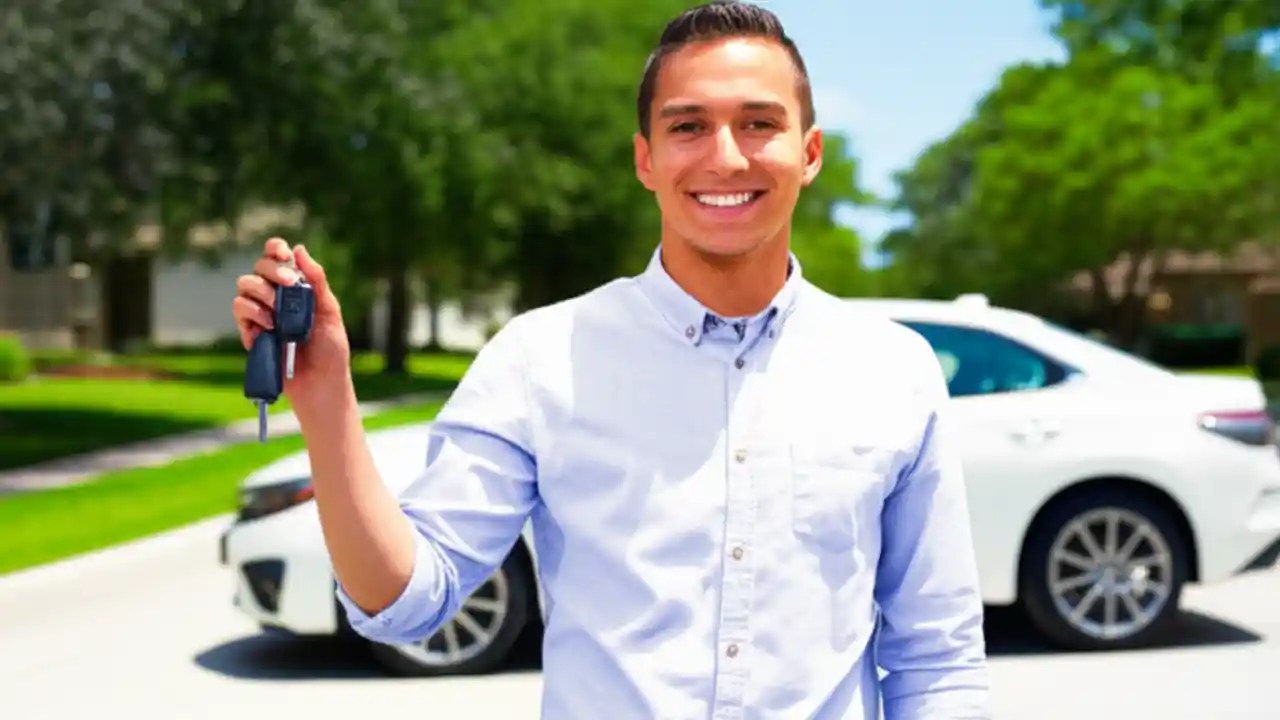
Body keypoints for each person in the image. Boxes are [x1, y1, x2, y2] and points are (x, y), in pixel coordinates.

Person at [231, 2, 990, 717]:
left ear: (810, 152)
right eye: (688, 126)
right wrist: (327, 405)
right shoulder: (539, 358)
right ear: (646, 159)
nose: (725, 157)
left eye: (759, 123)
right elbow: (405, 604)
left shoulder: (894, 369)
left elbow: (937, 659)